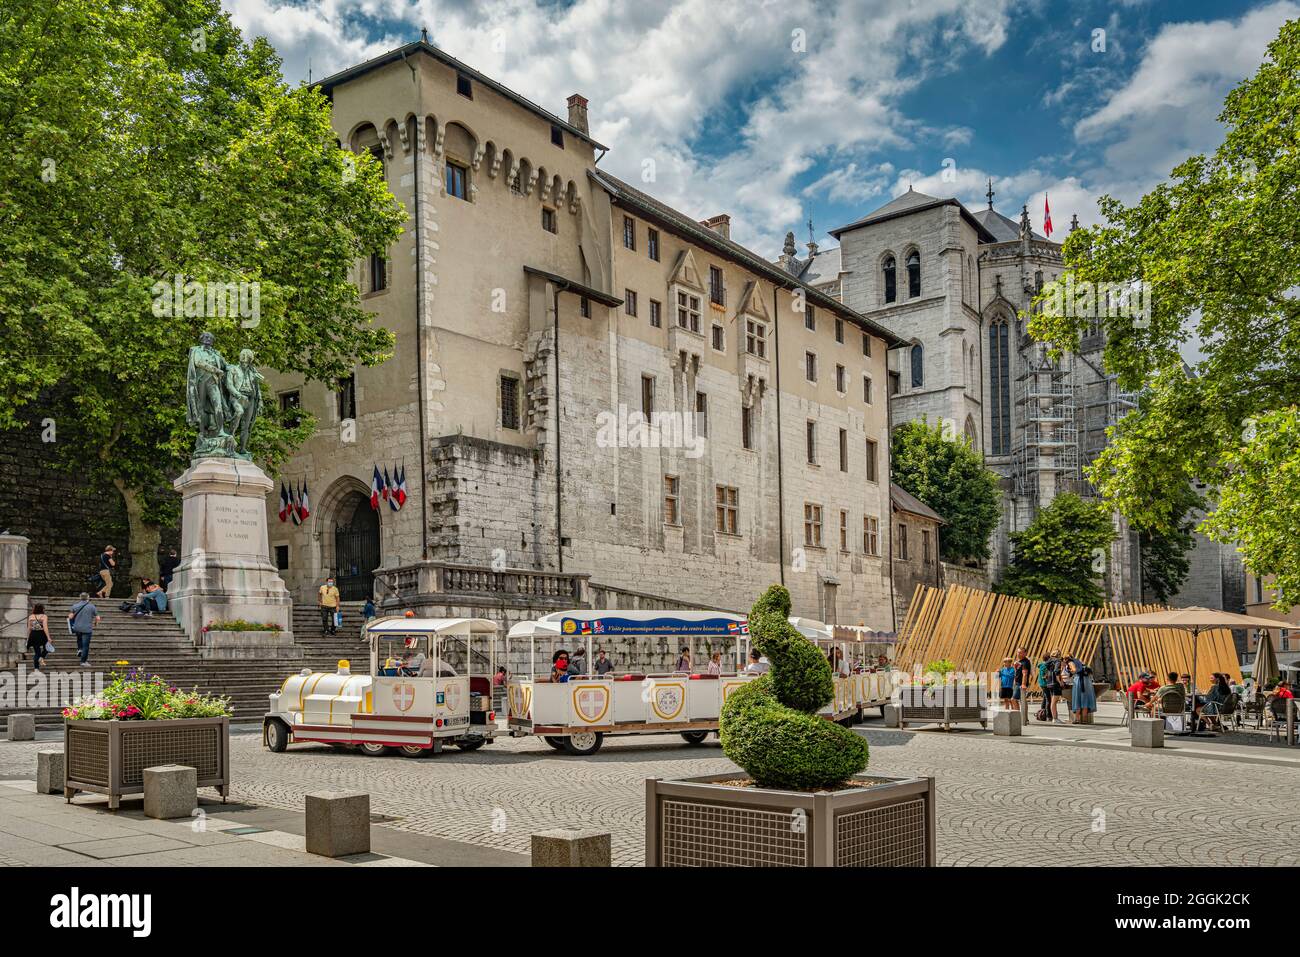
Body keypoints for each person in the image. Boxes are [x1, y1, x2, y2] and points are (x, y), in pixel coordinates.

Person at [67, 593, 100, 668]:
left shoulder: (75, 606)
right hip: (87, 628)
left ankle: (79, 649)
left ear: (80, 597)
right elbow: (98, 618)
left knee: (79, 638)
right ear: (88, 598)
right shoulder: (92, 606)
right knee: (86, 645)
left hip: (77, 627)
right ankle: (83, 661)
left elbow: (70, 616)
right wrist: (95, 623)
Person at [1068, 657, 1096, 722]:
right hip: (1087, 683)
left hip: (1078, 682)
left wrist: (1071, 671)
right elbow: (1090, 675)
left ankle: (1077, 719)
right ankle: (1084, 719)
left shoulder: (1074, 665)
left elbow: (1073, 671)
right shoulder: (1086, 668)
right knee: (1085, 701)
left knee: (1077, 700)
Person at [26, 602, 50, 671]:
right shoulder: (44, 616)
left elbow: (29, 628)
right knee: (47, 648)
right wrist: (48, 637)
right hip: (41, 634)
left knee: (37, 652)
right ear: (42, 609)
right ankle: (41, 658)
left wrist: (28, 638)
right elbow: (45, 627)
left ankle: (36, 668)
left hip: (33, 635)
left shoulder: (31, 616)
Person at [1039, 652, 1064, 720]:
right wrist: (1060, 682)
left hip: (1049, 683)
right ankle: (1054, 718)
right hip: (1055, 683)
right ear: (1058, 655)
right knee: (1053, 701)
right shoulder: (1057, 661)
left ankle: (1052, 717)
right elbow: (1056, 672)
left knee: (1051, 700)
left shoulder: (1048, 662)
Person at [1013, 647, 1033, 716]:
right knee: (1022, 700)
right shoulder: (1019, 662)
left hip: (1020, 684)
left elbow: (1025, 674)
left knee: (1014, 700)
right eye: (1018, 652)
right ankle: (1023, 717)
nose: (1019, 654)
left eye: (1021, 652)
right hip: (1017, 683)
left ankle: (1019, 717)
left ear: (1025, 653)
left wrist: (1023, 684)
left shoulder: (1025, 662)